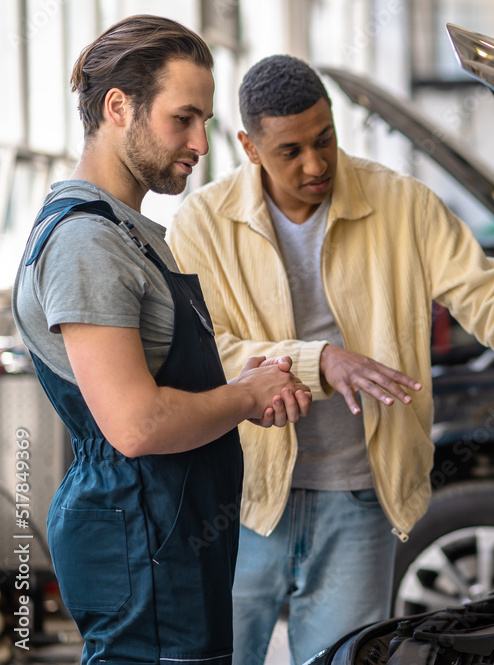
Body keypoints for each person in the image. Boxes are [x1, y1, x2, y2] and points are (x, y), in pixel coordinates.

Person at [167, 54, 494, 663]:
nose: (316, 165)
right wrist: (318, 361)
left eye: (325, 140)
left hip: (360, 496)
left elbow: (488, 293)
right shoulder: (200, 224)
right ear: (249, 146)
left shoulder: (402, 204)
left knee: (342, 658)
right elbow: (204, 351)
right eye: (291, 151)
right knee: (215, 655)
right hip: (242, 496)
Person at [11, 17, 313, 664]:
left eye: (204, 119)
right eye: (184, 118)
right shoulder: (87, 242)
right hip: (139, 544)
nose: (202, 142)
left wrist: (239, 385)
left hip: (169, 540)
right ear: (119, 107)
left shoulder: (131, 232)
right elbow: (137, 423)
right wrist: (244, 395)